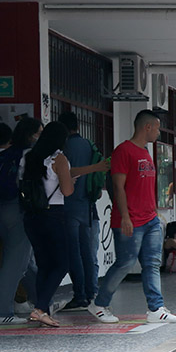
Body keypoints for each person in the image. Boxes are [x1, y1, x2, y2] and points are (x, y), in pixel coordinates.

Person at [88, 110, 176, 324]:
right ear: (147, 127)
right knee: (125, 262)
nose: (158, 132)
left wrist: (155, 213)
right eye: (157, 128)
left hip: (150, 220)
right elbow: (118, 187)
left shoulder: (146, 152)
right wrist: (125, 217)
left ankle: (156, 308)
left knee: (152, 263)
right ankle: (99, 304)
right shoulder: (123, 151)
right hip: (129, 220)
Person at [21, 121, 107, 327]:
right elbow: (67, 191)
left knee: (44, 264)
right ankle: (40, 309)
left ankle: (43, 308)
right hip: (54, 215)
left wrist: (82, 171)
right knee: (63, 263)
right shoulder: (59, 158)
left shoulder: (30, 157)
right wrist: (70, 182)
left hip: (31, 216)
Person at [0, 116, 42, 325]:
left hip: (0, 210)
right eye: (39, 133)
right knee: (14, 265)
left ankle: (43, 302)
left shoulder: (0, 156)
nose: (40, 137)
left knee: (24, 260)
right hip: (20, 210)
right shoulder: (30, 155)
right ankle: (1, 312)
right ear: (31, 135)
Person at [59, 112, 101, 311]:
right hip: (88, 206)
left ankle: (80, 295)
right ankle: (91, 292)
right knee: (87, 252)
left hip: (68, 205)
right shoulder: (89, 145)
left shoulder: (63, 148)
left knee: (73, 252)